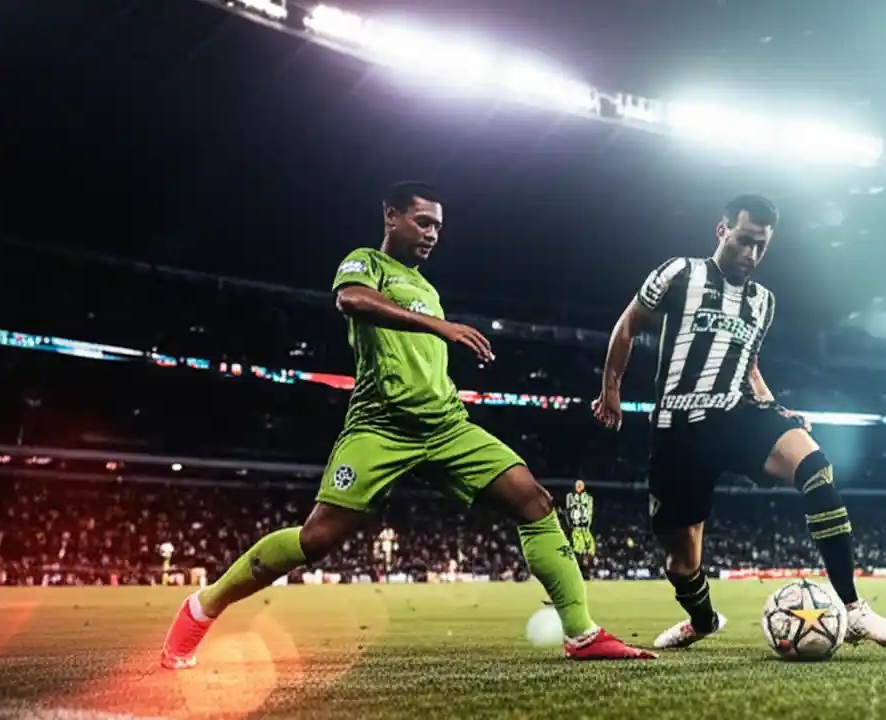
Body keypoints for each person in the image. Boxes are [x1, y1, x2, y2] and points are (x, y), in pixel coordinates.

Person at [160, 181, 655, 668]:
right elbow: (350, 300)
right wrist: (440, 326)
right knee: (316, 539)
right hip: (380, 425)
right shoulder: (366, 263)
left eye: (438, 226)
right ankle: (204, 605)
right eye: (422, 221)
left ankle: (582, 633)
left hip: (445, 425)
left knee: (535, 501)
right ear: (390, 217)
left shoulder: (427, 289)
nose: (432, 234)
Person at [592, 194, 886, 650]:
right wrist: (611, 389)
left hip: (736, 415)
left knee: (816, 467)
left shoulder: (763, 302)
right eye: (745, 242)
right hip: (679, 430)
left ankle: (854, 608)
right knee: (680, 562)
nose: (752, 255)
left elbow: (749, 365)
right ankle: (702, 620)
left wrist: (774, 406)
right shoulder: (679, 273)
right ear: (722, 231)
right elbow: (628, 325)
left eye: (761, 246)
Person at [565, 480, 596, 558]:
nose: (579, 487)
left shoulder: (588, 498)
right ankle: (577, 552)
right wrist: (569, 522)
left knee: (586, 540)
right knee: (576, 540)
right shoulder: (570, 496)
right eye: (577, 485)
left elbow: (590, 511)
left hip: (584, 525)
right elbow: (567, 510)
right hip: (575, 525)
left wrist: (587, 521)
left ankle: (584, 552)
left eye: (580, 485)